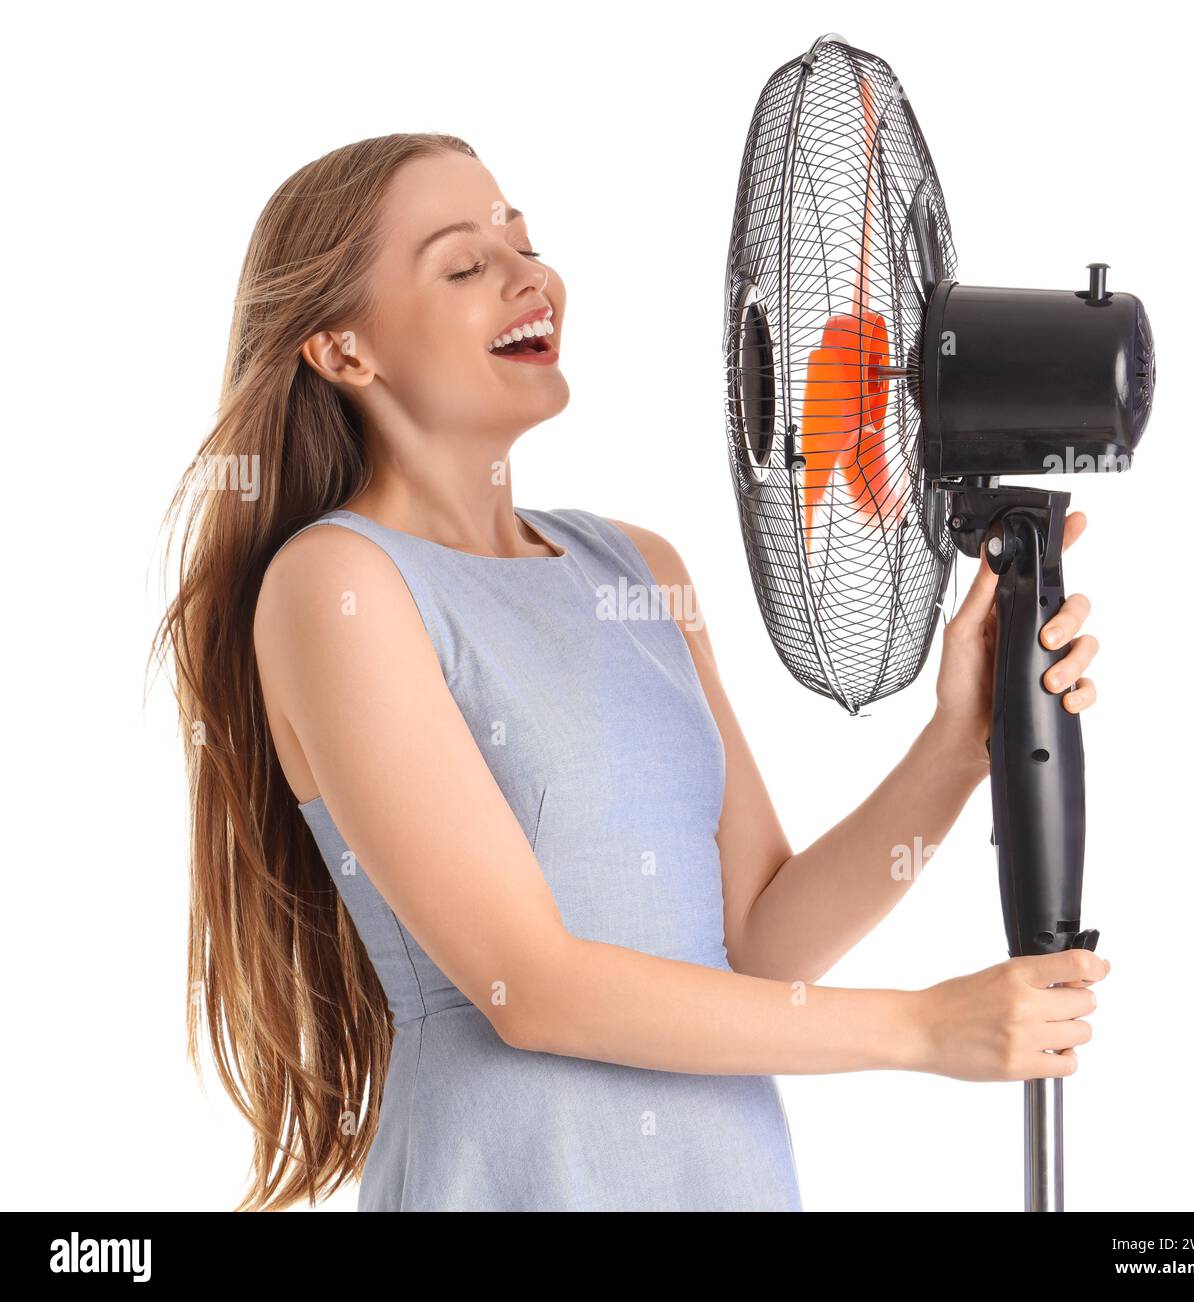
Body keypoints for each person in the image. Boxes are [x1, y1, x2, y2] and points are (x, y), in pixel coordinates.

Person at [155, 132, 1106, 1212]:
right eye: (464, 266)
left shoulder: (639, 569)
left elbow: (752, 945)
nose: (530, 277)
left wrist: (957, 747)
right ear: (342, 352)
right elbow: (533, 989)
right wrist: (925, 1028)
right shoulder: (338, 587)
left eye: (523, 240)